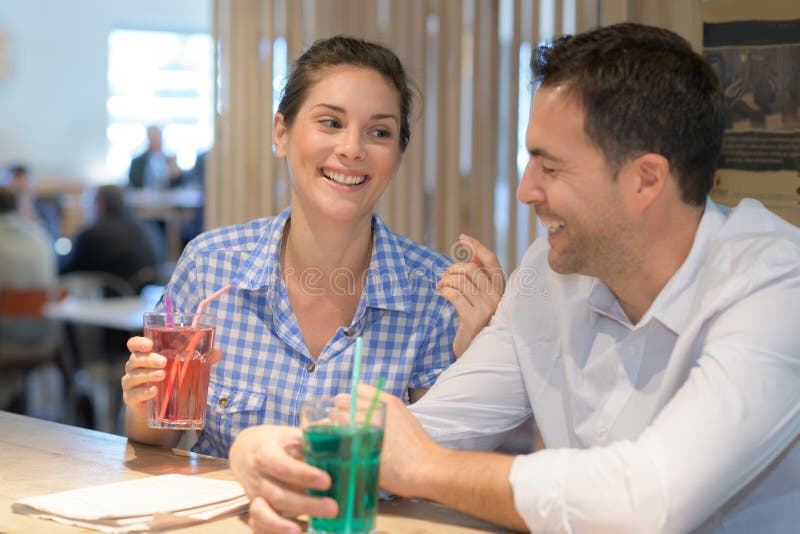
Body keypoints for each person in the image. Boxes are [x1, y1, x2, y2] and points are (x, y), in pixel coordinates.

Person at [231, 23, 800, 534]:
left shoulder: (777, 287)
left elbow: (645, 503)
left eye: (549, 167)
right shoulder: (548, 275)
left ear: (645, 180)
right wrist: (272, 455)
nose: (527, 190)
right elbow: (429, 431)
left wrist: (426, 467)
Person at [120, 36, 504, 459]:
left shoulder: (434, 293)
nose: (352, 149)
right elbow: (156, 439)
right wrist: (143, 401)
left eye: (379, 132)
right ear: (281, 133)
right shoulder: (210, 264)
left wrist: (477, 363)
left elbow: (440, 466)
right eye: (330, 123)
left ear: (397, 155)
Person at [61, 184, 165, 292]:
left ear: (99, 205)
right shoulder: (149, 227)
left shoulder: (93, 234)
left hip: (110, 302)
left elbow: (69, 269)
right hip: (146, 299)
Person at [127, 125, 184, 190]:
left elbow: (180, 184)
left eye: (157, 137)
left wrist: (174, 171)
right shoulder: (137, 162)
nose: (156, 140)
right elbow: (133, 183)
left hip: (167, 198)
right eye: (153, 137)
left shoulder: (170, 160)